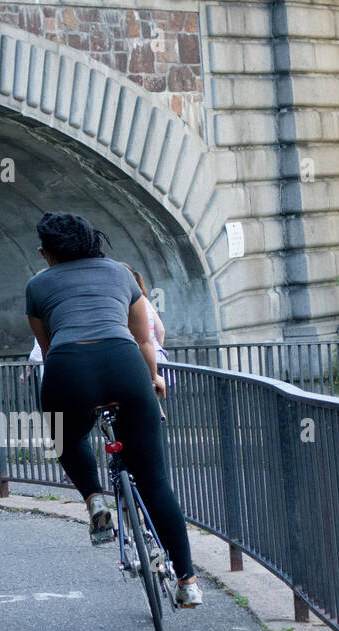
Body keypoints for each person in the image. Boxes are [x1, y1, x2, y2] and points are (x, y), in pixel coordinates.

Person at [25, 212, 203, 608]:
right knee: (155, 482)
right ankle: (188, 580)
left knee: (65, 435)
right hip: (125, 365)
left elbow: (49, 348)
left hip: (69, 369)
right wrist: (154, 380)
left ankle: (94, 499)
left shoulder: (37, 285)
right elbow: (144, 338)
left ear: (47, 253)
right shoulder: (122, 273)